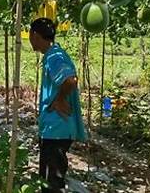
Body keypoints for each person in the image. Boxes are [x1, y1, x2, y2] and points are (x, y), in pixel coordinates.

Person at [28, 18, 88, 193]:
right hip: (55, 129)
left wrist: (60, 100)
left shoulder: (54, 56)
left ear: (35, 35)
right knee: (49, 179)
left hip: (57, 129)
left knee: (51, 182)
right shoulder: (53, 54)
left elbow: (70, 80)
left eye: (30, 36)